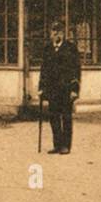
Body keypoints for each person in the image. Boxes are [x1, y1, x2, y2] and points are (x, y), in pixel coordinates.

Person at [38, 21, 81, 154]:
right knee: (53, 117)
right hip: (52, 90)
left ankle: (66, 146)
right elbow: (43, 70)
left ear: (63, 34)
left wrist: (75, 89)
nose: (55, 34)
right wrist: (41, 87)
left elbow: (76, 69)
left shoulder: (70, 48)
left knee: (66, 118)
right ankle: (57, 145)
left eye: (58, 32)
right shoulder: (47, 49)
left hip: (66, 89)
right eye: (53, 32)